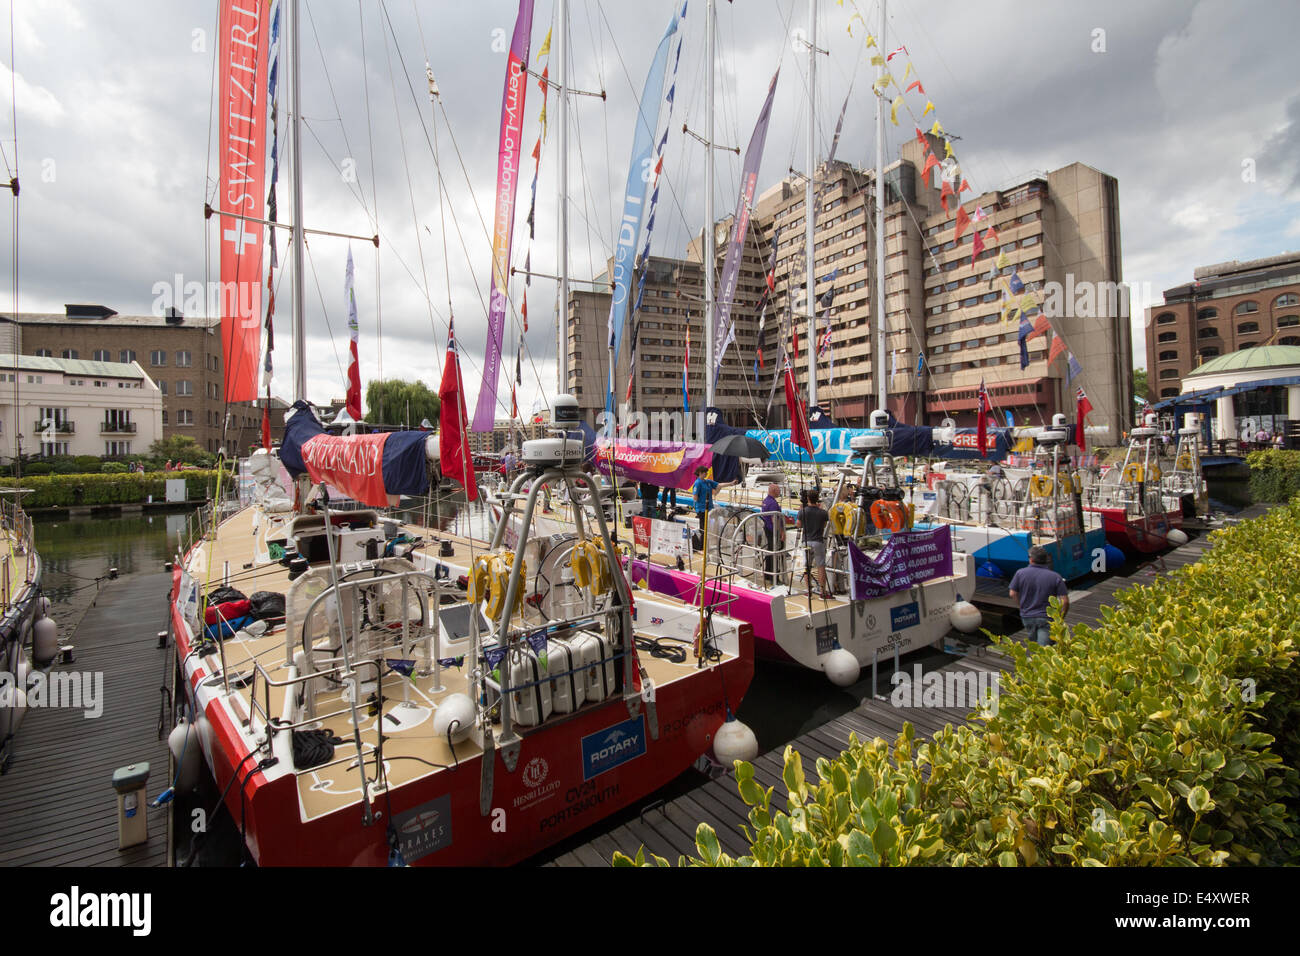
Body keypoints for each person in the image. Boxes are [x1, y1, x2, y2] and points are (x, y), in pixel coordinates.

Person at [1008, 545, 1069, 647]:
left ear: (1031, 559)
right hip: (1046, 617)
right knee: (1044, 648)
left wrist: (1021, 606)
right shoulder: (1055, 576)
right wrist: (1060, 618)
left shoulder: (1020, 573)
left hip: (1027, 616)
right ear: (1046, 559)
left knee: (1034, 645)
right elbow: (1065, 601)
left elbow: (1012, 593)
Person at [796, 489, 831, 599]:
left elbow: (798, 525)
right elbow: (824, 526)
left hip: (806, 541)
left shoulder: (803, 511)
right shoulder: (823, 513)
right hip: (818, 541)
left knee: (807, 566)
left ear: (808, 499)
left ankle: (809, 591)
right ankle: (822, 591)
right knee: (821, 566)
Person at [760, 482, 782, 586]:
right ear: (774, 491)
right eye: (778, 490)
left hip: (767, 529)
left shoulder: (765, 501)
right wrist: (781, 531)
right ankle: (774, 577)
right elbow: (775, 519)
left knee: (770, 552)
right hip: (773, 530)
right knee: (774, 553)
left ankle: (768, 574)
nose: (780, 492)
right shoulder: (773, 503)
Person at [691, 467, 718, 533]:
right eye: (705, 472)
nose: (706, 474)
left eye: (707, 472)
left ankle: (705, 540)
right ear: (700, 473)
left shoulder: (707, 481)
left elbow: (719, 485)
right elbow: (695, 497)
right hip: (702, 509)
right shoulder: (697, 483)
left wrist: (731, 483)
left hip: (709, 508)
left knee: (708, 527)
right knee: (703, 528)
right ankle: (702, 541)